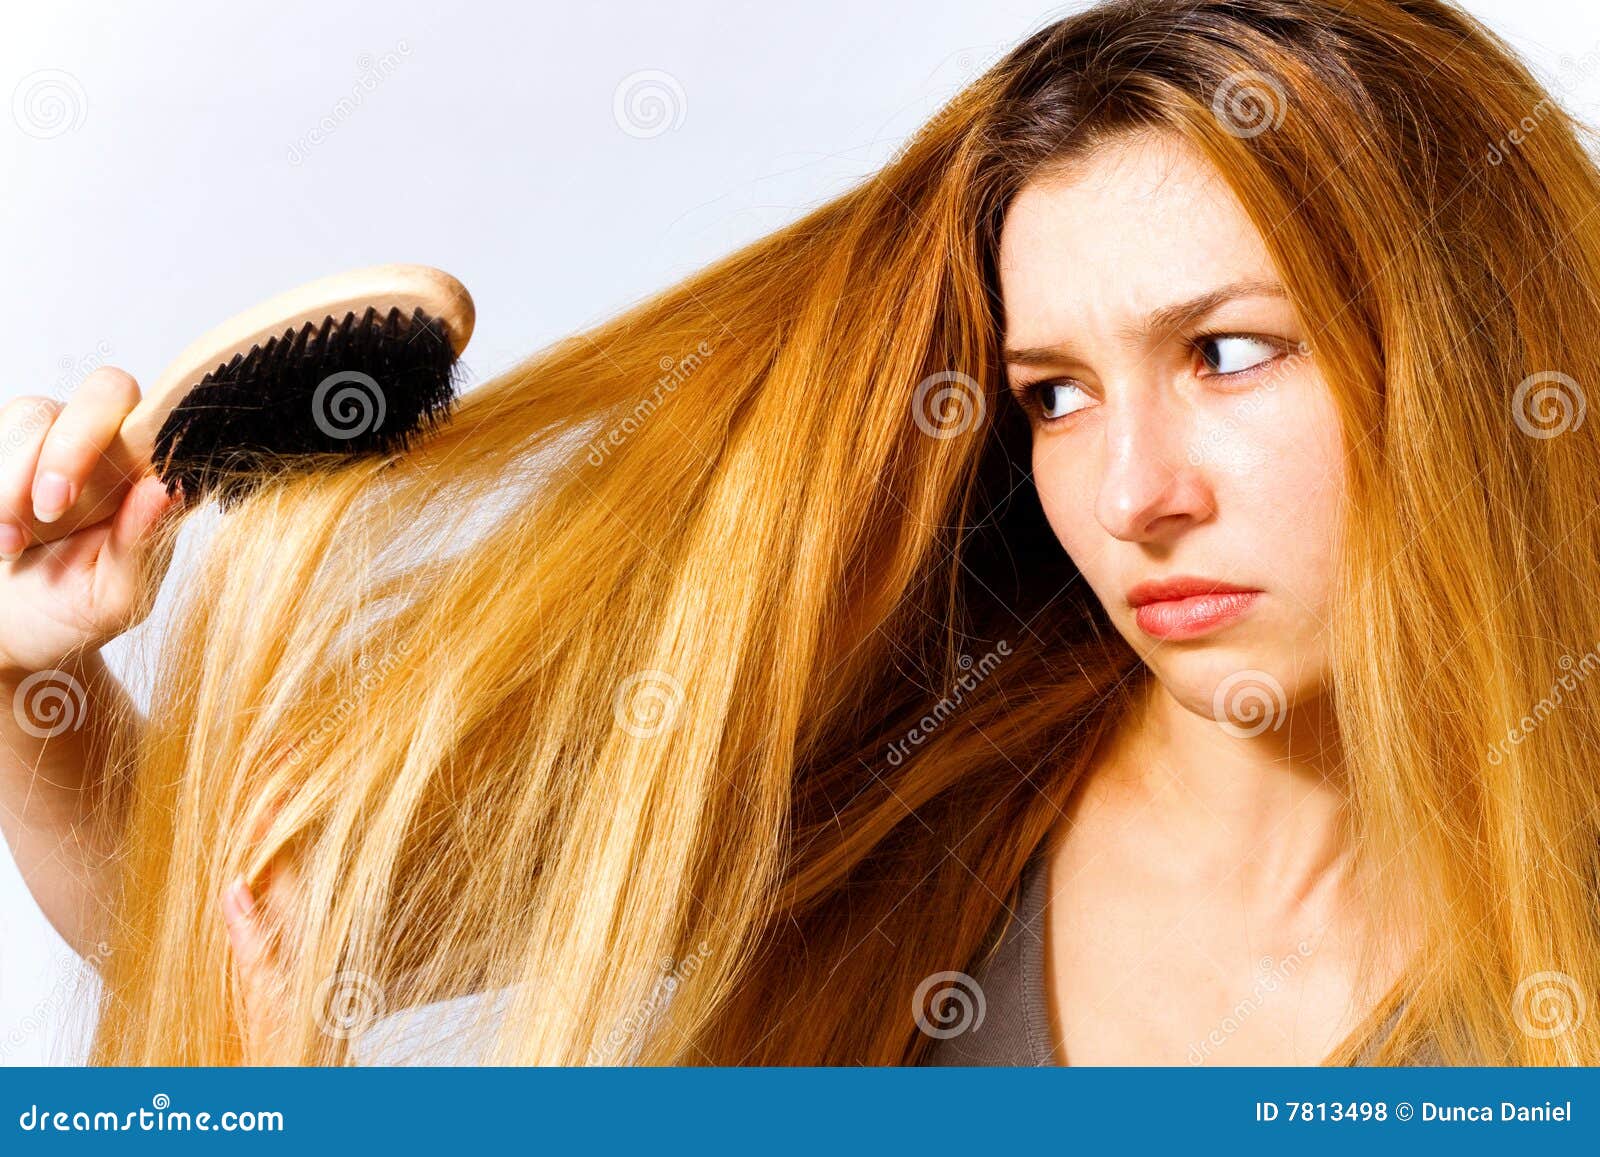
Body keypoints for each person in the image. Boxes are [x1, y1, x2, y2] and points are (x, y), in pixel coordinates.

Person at [4, 0, 1598, 1066]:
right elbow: (237, 908)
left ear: (1466, 353)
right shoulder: (895, 758)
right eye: (1053, 394)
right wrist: (26, 682)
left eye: (1227, 353)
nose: (1134, 495)